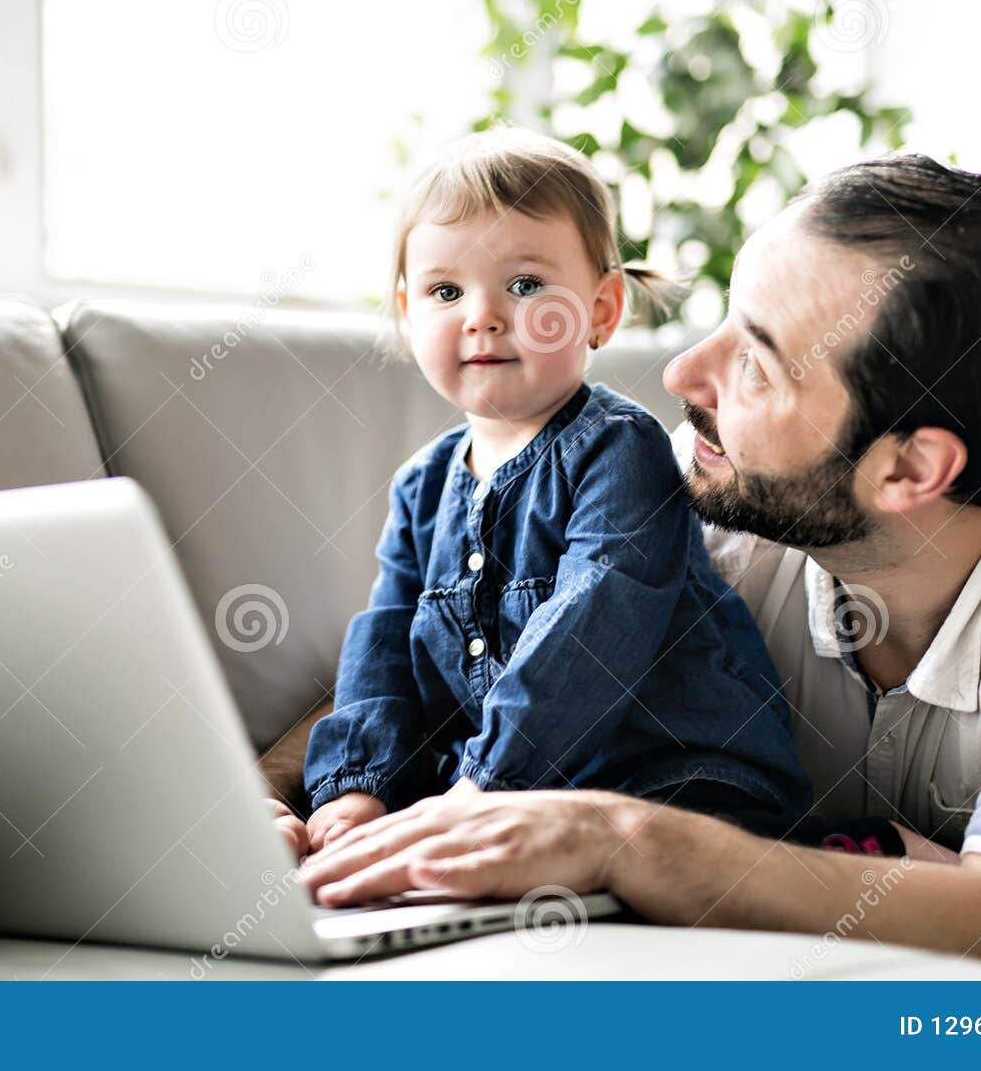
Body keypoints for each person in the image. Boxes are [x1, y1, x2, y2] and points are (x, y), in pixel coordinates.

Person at [279, 154, 981, 977]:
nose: (682, 372)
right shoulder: (709, 487)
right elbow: (448, 639)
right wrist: (281, 796)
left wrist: (625, 838)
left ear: (910, 469)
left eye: (754, 365)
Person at [301, 128, 813, 855]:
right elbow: (381, 644)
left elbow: (594, 621)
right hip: (509, 794)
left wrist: (482, 789)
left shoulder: (618, 450)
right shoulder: (421, 489)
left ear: (602, 310)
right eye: (447, 291)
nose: (483, 314)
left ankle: (840, 849)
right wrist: (357, 786)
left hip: (679, 785)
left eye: (524, 285)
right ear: (409, 311)